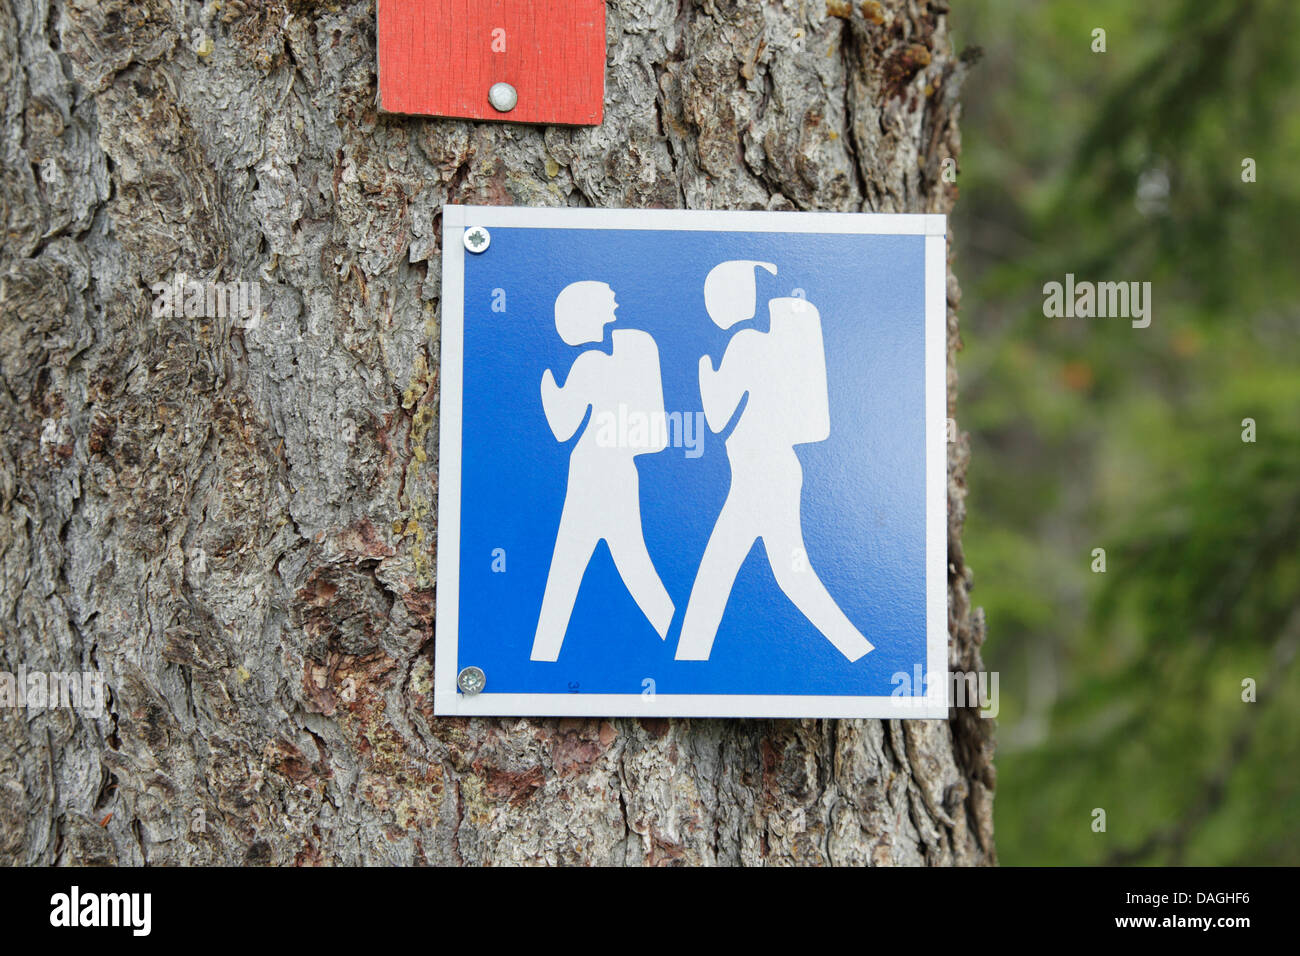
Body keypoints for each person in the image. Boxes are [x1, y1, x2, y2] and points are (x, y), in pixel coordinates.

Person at [676, 261, 873, 662]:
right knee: (786, 574)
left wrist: (703, 373)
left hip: (761, 473)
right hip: (769, 469)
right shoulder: (763, 342)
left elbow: (716, 417)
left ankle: (688, 658)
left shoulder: (744, 343)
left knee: (740, 569)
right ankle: (857, 651)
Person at [532, 281, 675, 661]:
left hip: (591, 472)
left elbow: (563, 427)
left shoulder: (590, 362)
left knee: (571, 564)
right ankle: (676, 636)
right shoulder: (624, 360)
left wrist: (548, 386)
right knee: (629, 563)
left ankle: (543, 654)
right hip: (621, 472)